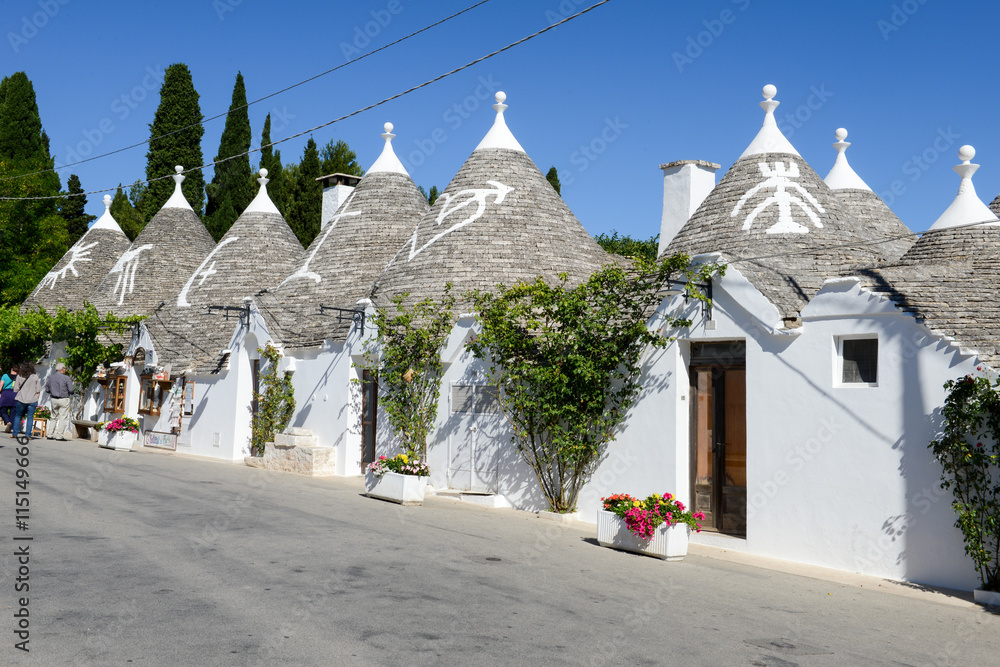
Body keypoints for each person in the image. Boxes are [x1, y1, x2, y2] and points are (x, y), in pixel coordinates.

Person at [46, 362, 75, 441]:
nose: (65, 370)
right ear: (62, 369)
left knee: (53, 417)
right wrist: (71, 392)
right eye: (65, 368)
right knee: (62, 417)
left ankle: (50, 434)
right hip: (63, 399)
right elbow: (71, 389)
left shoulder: (50, 377)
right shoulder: (66, 378)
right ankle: (59, 436)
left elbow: (47, 389)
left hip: (53, 399)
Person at [11, 362, 41, 439]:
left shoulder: (19, 376)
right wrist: (36, 398)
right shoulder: (35, 376)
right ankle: (28, 435)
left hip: (21, 399)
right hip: (32, 399)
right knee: (30, 417)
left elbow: (16, 389)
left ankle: (15, 433)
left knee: (18, 416)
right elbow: (38, 390)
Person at [0, 365, 16, 431]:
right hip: (15, 394)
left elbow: (1, 385)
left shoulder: (5, 376)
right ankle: (11, 428)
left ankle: (7, 421)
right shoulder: (19, 377)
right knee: (13, 411)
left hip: (5, 394)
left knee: (2, 408)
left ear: (12, 369)